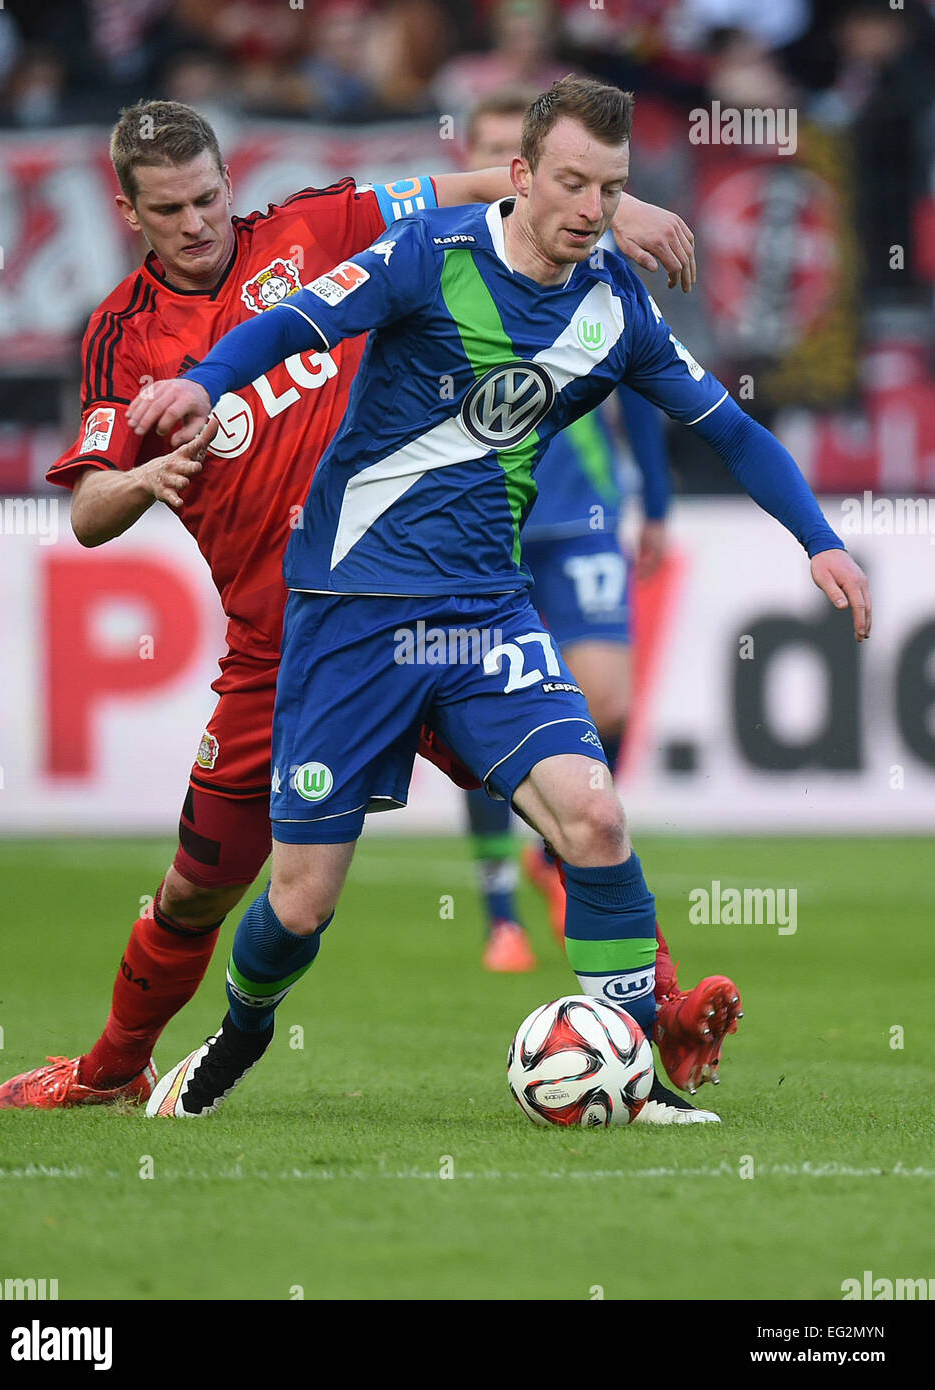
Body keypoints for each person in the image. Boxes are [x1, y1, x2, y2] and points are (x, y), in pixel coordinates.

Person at [133, 77, 870, 1125]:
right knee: (298, 904)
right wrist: (205, 382)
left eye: (609, 190)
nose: (587, 208)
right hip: (353, 608)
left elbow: (732, 431)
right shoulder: (429, 256)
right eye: (569, 182)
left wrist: (820, 540)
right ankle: (236, 1040)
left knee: (596, 817)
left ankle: (636, 1074)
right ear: (521, 174)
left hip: (484, 608)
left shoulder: (615, 309)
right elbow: (296, 321)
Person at [0, 97, 699, 1112]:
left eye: (209, 197)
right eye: (170, 209)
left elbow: (492, 185)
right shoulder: (121, 338)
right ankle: (109, 1069)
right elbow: (90, 508)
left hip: (429, 599)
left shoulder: (321, 225)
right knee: (199, 888)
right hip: (285, 652)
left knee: (576, 805)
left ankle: (659, 1019)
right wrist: (142, 481)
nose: (197, 224)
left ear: (231, 182)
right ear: (127, 210)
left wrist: (612, 215)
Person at [459, 89, 672, 977]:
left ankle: (560, 857)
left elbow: (650, 383)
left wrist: (654, 502)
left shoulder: (591, 270)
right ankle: (500, 911)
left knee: (610, 700)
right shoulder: (438, 265)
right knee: (480, 726)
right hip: (474, 528)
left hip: (577, 513)